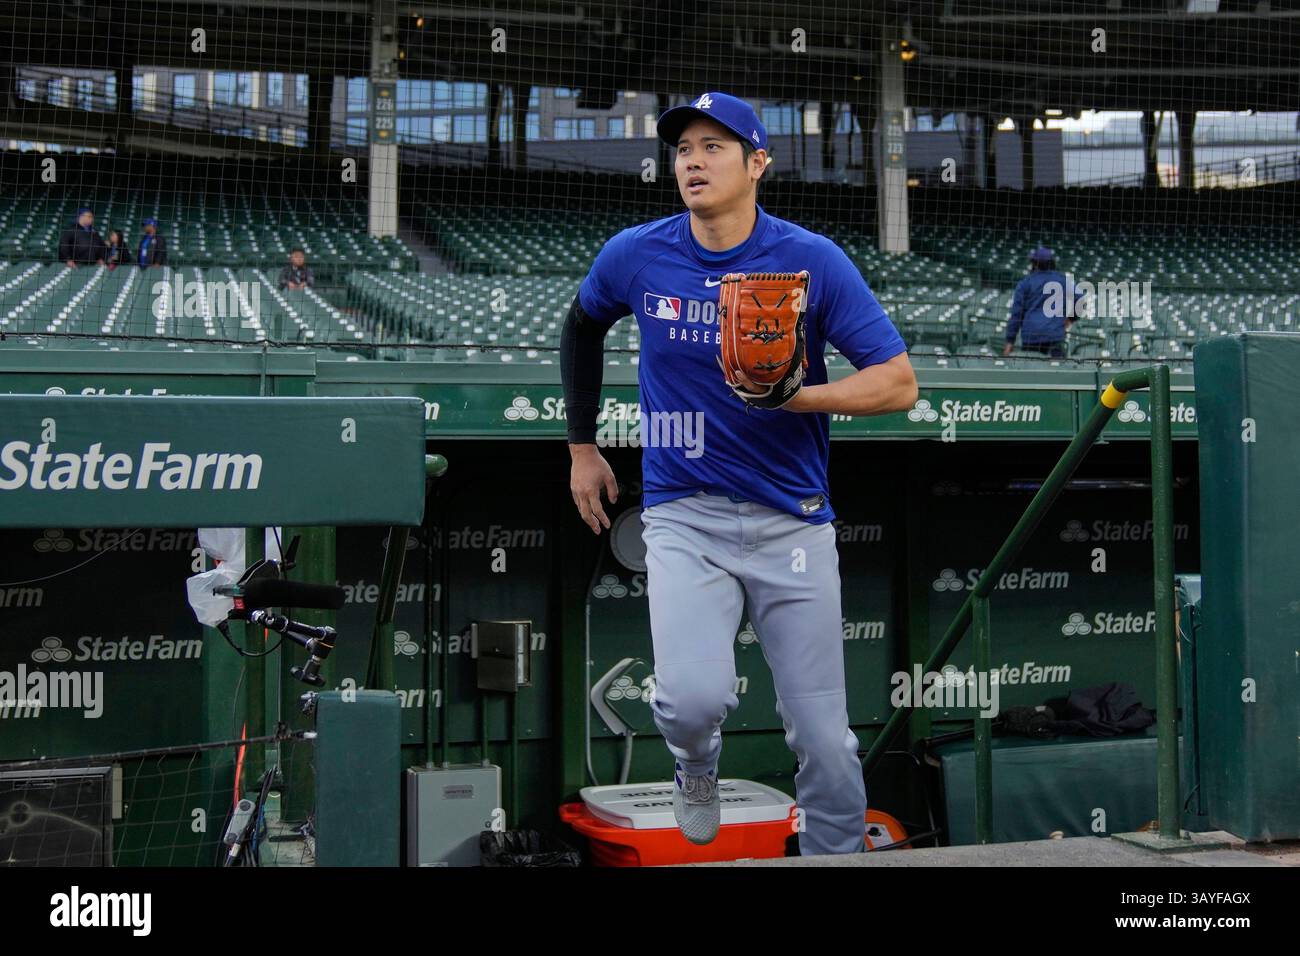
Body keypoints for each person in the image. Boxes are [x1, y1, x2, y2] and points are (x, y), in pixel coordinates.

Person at [560, 92, 918, 857]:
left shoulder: (811, 259)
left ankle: (834, 856)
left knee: (824, 739)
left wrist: (799, 396)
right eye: (683, 147)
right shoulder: (636, 252)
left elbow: (898, 383)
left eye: (714, 146)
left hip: (793, 518)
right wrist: (580, 446)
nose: (692, 159)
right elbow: (582, 324)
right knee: (692, 702)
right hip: (685, 516)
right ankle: (698, 765)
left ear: (759, 163)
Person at [1002, 246, 1082, 358]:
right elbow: (1081, 300)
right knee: (1057, 372)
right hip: (1054, 336)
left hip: (1031, 337)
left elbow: (1016, 315)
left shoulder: (1025, 283)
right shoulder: (1063, 280)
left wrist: (1010, 341)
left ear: (1034, 264)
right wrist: (1070, 319)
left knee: (1032, 373)